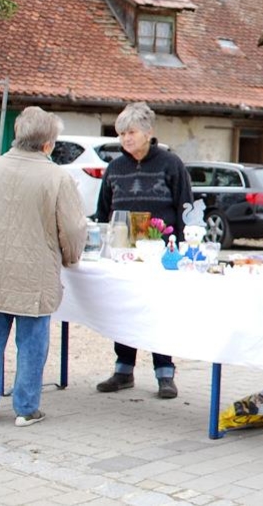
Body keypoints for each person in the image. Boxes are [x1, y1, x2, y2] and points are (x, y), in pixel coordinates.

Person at [0, 107, 87, 427]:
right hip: (35, 272)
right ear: (48, 144)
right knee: (31, 343)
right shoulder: (57, 176)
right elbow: (71, 228)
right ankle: (26, 408)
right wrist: (71, 257)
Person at [95, 102, 193, 399]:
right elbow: (103, 212)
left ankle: (165, 372)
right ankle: (123, 369)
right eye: (122, 133)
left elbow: (185, 208)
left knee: (159, 312)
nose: (126, 138)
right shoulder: (114, 168)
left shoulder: (170, 164)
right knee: (123, 309)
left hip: (162, 255)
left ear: (149, 133)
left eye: (131, 132)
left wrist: (184, 248)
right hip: (123, 255)